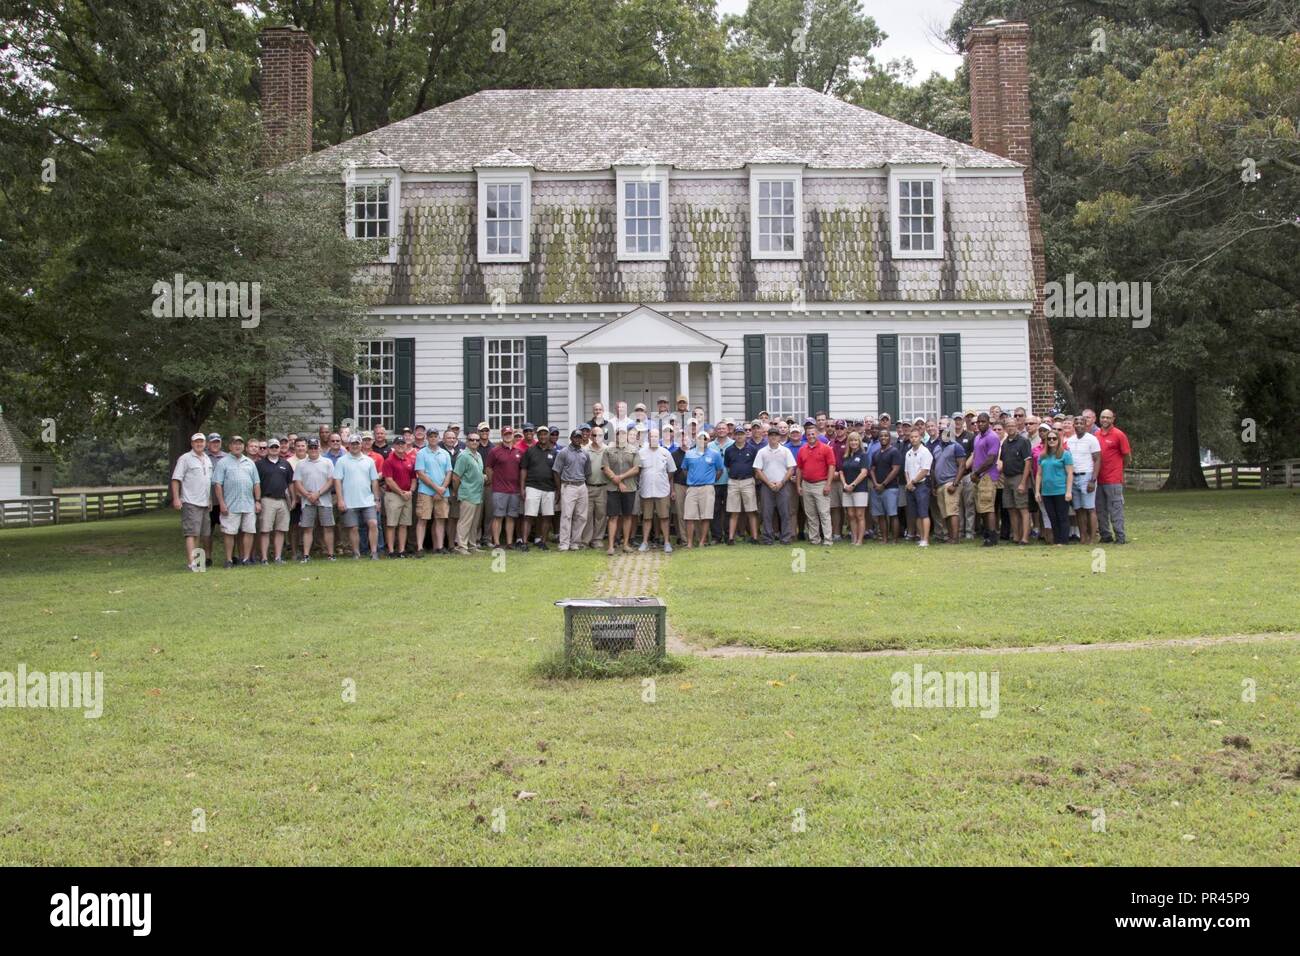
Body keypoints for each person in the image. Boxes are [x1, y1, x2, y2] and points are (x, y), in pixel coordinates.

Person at [212, 436, 261, 568]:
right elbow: (217, 484)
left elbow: (256, 483)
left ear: (243, 446)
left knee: (249, 530)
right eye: (234, 444)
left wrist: (257, 501)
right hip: (230, 504)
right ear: (230, 446)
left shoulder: (249, 462)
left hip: (248, 503)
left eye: (240, 444)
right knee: (229, 532)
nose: (237, 446)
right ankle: (228, 559)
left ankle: (245, 559)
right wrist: (221, 503)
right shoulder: (223, 462)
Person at [171, 432, 213, 570]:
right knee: (191, 533)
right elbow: (176, 479)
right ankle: (192, 563)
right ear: (192, 443)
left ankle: (198, 562)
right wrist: (177, 498)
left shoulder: (206, 458)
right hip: (191, 501)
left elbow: (207, 482)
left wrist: (210, 499)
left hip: (204, 502)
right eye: (196, 442)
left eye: (201, 441)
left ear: (205, 443)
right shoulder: (185, 458)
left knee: (201, 533)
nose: (199, 444)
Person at [334, 435, 381, 559]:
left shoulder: (369, 461)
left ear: (361, 445)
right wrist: (340, 500)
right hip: (349, 501)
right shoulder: (342, 461)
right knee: (353, 528)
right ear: (348, 445)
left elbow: (374, 481)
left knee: (373, 523)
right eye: (352, 444)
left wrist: (377, 500)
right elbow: (337, 481)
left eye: (357, 443)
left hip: (368, 500)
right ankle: (356, 553)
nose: (355, 446)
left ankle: (374, 552)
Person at [293, 438, 336, 562]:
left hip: (325, 500)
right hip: (307, 501)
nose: (313, 450)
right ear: (307, 448)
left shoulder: (327, 462)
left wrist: (318, 494)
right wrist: (308, 495)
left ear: (319, 448)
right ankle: (306, 555)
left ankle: (331, 554)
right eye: (311, 447)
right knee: (307, 528)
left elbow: (331, 481)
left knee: (328, 527)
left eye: (315, 447)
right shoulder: (301, 464)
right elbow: (297, 482)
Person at [796, 420, 836, 546]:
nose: (811, 436)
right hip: (806, 484)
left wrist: (828, 484)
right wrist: (798, 485)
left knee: (824, 513)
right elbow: (799, 469)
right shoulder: (802, 450)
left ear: (817, 434)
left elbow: (832, 466)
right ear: (806, 436)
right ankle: (814, 539)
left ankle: (828, 540)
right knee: (810, 514)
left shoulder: (826, 449)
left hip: (821, 484)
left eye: (813, 434)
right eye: (808, 434)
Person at [255, 439, 295, 564]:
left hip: (283, 501)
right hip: (267, 500)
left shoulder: (285, 464)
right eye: (271, 446)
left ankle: (278, 557)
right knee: (265, 530)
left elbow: (290, 483)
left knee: (280, 530)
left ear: (279, 448)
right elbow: (256, 484)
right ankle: (264, 558)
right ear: (267, 448)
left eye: (276, 447)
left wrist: (294, 499)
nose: (274, 449)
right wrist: (257, 501)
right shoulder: (260, 464)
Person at [636, 429, 677, 553]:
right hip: (646, 490)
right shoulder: (641, 453)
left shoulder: (665, 453)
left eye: (655, 436)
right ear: (648, 438)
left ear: (658, 438)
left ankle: (666, 542)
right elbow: (637, 471)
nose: (653, 438)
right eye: (651, 436)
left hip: (662, 490)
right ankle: (644, 542)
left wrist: (663, 480)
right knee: (647, 518)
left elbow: (671, 470)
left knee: (664, 517)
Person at [1095, 409, 1132, 544]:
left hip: (1113, 480)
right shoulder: (1096, 434)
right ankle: (1106, 535)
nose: (1105, 420)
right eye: (1102, 417)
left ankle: (1120, 537)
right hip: (1099, 479)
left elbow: (1127, 455)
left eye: (1108, 418)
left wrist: (1120, 469)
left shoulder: (1119, 435)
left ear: (1113, 419)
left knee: (1115, 508)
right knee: (1101, 509)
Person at [754, 426, 796, 545]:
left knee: (785, 512)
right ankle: (767, 538)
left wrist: (782, 482)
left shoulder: (785, 451)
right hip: (766, 486)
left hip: (783, 485)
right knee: (766, 513)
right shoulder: (762, 452)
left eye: (775, 435)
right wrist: (769, 483)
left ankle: (786, 538)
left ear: (779, 437)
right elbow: (758, 470)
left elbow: (791, 469)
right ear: (768, 437)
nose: (773, 437)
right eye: (771, 435)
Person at [682, 431, 723, 549]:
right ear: (696, 440)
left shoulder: (715, 454)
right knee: (689, 516)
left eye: (705, 439)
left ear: (708, 440)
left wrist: (711, 480)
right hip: (692, 488)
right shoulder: (689, 453)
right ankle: (689, 543)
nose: (703, 441)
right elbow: (685, 469)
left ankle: (702, 542)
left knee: (706, 516)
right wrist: (693, 479)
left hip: (707, 487)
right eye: (700, 438)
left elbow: (720, 470)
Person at [414, 431, 453, 556]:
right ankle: (420, 548)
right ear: (427, 438)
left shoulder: (445, 453)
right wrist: (436, 488)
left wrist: (442, 488)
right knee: (423, 519)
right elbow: (420, 473)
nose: (433, 438)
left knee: (440, 519)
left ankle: (439, 547)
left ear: (439, 438)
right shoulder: (421, 453)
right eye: (430, 436)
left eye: (435, 436)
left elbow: (449, 473)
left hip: (442, 492)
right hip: (426, 491)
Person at [485, 425, 524, 550]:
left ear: (513, 435)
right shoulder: (495, 451)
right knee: (498, 516)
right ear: (502, 436)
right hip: (499, 489)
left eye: (510, 434)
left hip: (514, 490)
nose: (508, 436)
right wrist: (492, 481)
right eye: (505, 434)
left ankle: (509, 542)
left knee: (511, 517)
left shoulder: (519, 452)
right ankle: (496, 543)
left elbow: (522, 470)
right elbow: (488, 468)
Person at [552, 429, 591, 552]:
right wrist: (560, 488)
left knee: (581, 516)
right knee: (566, 516)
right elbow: (556, 471)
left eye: (579, 437)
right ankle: (564, 543)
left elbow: (587, 472)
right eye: (575, 437)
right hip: (568, 486)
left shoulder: (585, 453)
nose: (578, 439)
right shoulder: (563, 452)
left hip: (582, 486)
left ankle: (575, 542)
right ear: (571, 438)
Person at [602, 429, 640, 554]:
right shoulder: (608, 450)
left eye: (624, 434)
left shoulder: (634, 450)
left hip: (629, 488)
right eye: (619, 434)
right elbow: (606, 468)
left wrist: (621, 478)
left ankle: (625, 544)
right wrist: (618, 482)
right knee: (613, 516)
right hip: (613, 488)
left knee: (627, 516)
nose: (622, 437)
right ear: (616, 436)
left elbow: (636, 469)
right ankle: (611, 546)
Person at [1066, 415, 1102, 545]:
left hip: (1087, 476)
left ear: (1086, 424)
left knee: (1090, 508)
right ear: (1073, 425)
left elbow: (1097, 459)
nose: (1079, 425)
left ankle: (1092, 538)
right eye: (1077, 423)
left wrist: (1093, 479)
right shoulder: (1070, 440)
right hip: (1073, 476)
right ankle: (1083, 537)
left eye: (1082, 423)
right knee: (1079, 509)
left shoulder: (1092, 439)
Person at [520, 425, 557, 551]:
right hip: (532, 486)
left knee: (547, 516)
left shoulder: (553, 452)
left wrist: (558, 490)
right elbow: (523, 470)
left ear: (548, 435)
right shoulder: (530, 451)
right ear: (537, 435)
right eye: (540, 434)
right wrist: (522, 488)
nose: (542, 436)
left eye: (545, 434)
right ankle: (524, 543)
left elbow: (556, 473)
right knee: (529, 515)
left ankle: (543, 542)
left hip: (549, 488)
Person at [1034, 429, 1074, 546]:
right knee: (1052, 517)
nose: (1051, 441)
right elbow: (1039, 474)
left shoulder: (1065, 454)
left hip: (1061, 490)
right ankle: (1057, 540)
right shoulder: (1042, 456)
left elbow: (1070, 473)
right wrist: (1037, 491)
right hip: (1047, 492)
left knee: (1062, 517)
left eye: (1054, 438)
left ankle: (1064, 541)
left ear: (1059, 440)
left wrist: (1068, 491)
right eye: (1049, 439)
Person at [930, 427, 968, 545]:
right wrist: (934, 486)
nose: (944, 434)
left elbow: (962, 465)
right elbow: (934, 468)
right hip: (940, 484)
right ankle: (949, 537)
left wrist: (955, 483)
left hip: (951, 482)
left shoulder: (956, 446)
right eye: (941, 432)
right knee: (945, 513)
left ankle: (955, 538)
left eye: (946, 432)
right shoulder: (936, 448)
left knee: (952, 511)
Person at [1000, 417, 1033, 545]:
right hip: (1007, 478)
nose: (1010, 427)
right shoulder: (1005, 443)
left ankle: (1025, 538)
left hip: (1019, 477)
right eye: (1008, 425)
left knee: (1023, 508)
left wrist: (1023, 482)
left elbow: (1028, 462)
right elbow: (1003, 461)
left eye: (1012, 425)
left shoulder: (1023, 442)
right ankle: (1016, 536)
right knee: (1011, 508)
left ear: (1017, 426)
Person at [450, 431, 485, 554]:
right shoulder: (463, 456)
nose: (474, 442)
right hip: (467, 494)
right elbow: (456, 477)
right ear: (467, 441)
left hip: (478, 494)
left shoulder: (478, 455)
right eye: (471, 440)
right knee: (465, 522)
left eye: (477, 440)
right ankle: (461, 547)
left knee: (474, 523)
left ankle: (472, 545)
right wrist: (456, 492)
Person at [381, 436, 416, 557]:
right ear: (394, 446)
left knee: (403, 524)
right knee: (391, 524)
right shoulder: (389, 461)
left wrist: (411, 491)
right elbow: (389, 481)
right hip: (394, 495)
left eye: (403, 444)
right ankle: (391, 551)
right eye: (398, 444)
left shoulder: (409, 460)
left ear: (406, 445)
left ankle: (401, 551)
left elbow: (413, 479)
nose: (401, 446)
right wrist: (401, 492)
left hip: (407, 495)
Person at [970, 413, 1001, 547]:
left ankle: (992, 536)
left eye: (983, 421)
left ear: (989, 422)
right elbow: (976, 456)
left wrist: (977, 472)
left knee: (988, 507)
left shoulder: (993, 437)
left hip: (987, 475)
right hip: (977, 476)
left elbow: (991, 459)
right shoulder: (977, 438)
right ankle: (986, 534)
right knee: (980, 507)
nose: (980, 424)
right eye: (979, 422)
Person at [723, 427, 760, 544]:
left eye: (741, 434)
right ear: (734, 436)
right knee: (733, 511)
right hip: (733, 481)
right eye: (737, 434)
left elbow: (756, 467)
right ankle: (731, 538)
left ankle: (754, 537)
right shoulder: (729, 450)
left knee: (751, 510)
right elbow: (728, 466)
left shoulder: (753, 449)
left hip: (748, 481)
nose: (739, 436)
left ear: (745, 436)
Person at [869, 428, 903, 544]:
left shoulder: (894, 452)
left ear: (890, 438)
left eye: (886, 436)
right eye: (881, 436)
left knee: (892, 514)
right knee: (881, 515)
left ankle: (894, 539)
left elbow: (895, 470)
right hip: (877, 488)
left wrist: (883, 484)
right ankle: (884, 538)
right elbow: (872, 469)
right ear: (878, 438)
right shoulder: (876, 453)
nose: (883, 438)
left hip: (890, 488)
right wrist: (875, 484)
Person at [839, 430, 870, 546]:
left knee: (859, 515)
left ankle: (860, 540)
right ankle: (854, 538)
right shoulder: (846, 456)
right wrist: (845, 485)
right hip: (847, 489)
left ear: (859, 441)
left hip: (860, 489)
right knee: (851, 515)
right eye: (851, 440)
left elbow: (864, 473)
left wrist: (853, 485)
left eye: (856, 440)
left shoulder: (863, 455)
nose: (853, 442)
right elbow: (841, 471)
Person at [903, 426, 933, 547]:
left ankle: (925, 539)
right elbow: (906, 471)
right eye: (911, 437)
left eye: (916, 437)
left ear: (921, 437)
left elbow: (925, 470)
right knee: (915, 514)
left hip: (922, 485)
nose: (914, 439)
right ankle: (920, 537)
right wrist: (908, 482)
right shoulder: (908, 453)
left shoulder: (925, 452)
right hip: (911, 486)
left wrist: (913, 481)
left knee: (923, 513)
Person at [582, 427, 609, 548]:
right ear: (590, 436)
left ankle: (597, 539)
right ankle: (585, 540)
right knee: (587, 515)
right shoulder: (585, 450)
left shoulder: (607, 450)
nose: (596, 437)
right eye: (594, 435)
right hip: (588, 487)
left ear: (603, 436)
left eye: (599, 435)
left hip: (603, 487)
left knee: (601, 515)